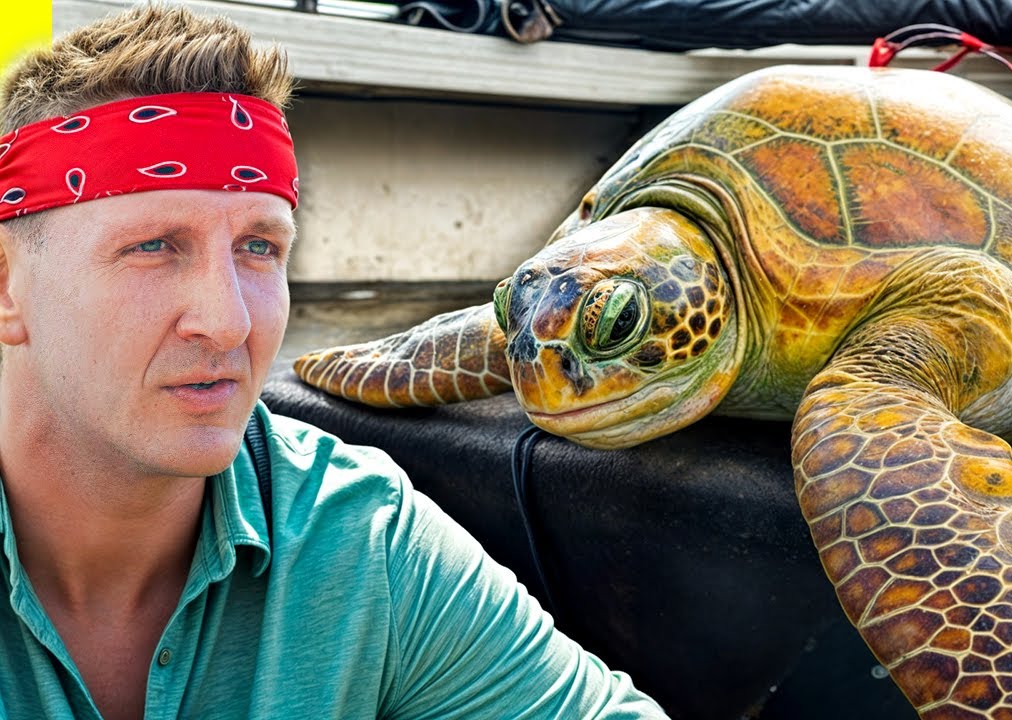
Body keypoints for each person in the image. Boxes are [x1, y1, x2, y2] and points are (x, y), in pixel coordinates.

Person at [0, 4, 667, 719]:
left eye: (259, 246)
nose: (229, 323)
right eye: (154, 246)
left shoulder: (360, 545)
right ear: (9, 285)